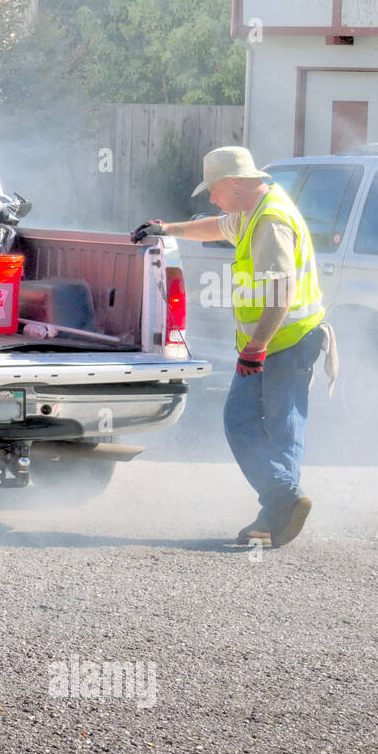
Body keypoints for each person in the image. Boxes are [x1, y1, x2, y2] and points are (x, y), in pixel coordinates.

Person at [131, 146, 327, 548]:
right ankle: (282, 504)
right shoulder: (254, 212)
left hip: (285, 341)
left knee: (273, 427)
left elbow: (281, 292)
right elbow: (217, 227)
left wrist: (256, 346)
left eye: (214, 188)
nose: (210, 197)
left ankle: (278, 509)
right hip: (276, 341)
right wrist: (166, 229)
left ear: (235, 183)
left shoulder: (270, 220)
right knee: (255, 424)